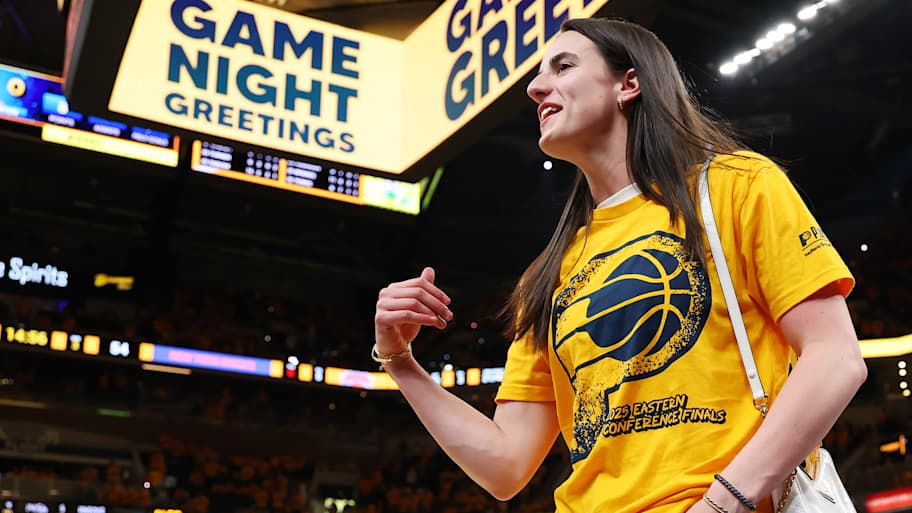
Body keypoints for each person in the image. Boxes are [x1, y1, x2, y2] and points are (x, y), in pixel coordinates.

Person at [373, 18, 866, 513]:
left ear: (628, 84)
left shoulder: (737, 186)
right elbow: (506, 466)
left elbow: (835, 359)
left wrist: (724, 501)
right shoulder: (546, 275)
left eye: (563, 66)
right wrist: (402, 364)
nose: (536, 86)